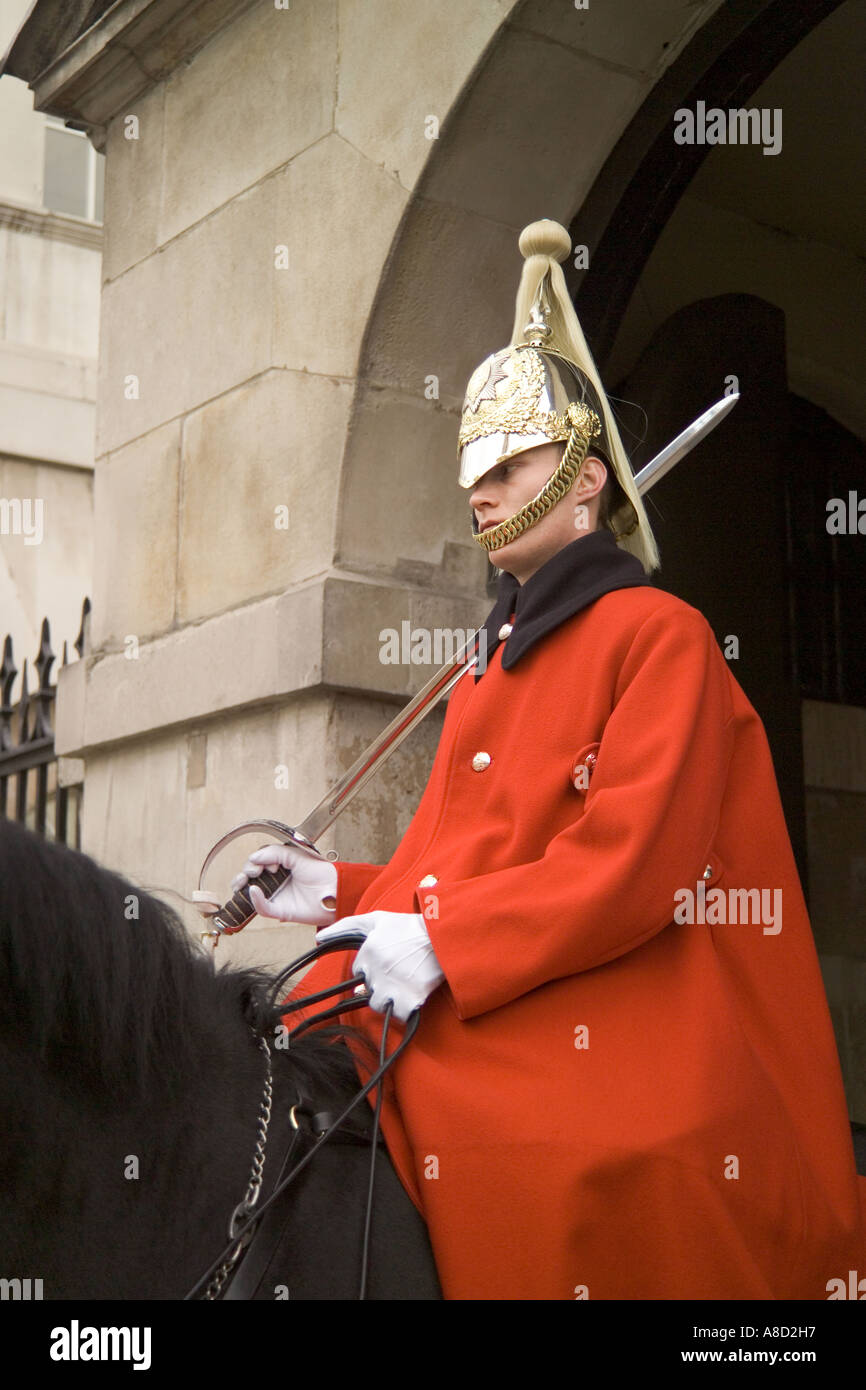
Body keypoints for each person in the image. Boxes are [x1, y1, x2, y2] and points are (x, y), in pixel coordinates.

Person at [231, 220, 865, 1299]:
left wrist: (446, 946)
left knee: (550, 1155)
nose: (478, 492)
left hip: (617, 1007)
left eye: (506, 465)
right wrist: (331, 890)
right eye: (469, 471)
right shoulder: (485, 670)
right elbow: (453, 870)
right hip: (498, 975)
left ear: (582, 477)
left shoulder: (656, 635)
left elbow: (632, 866)